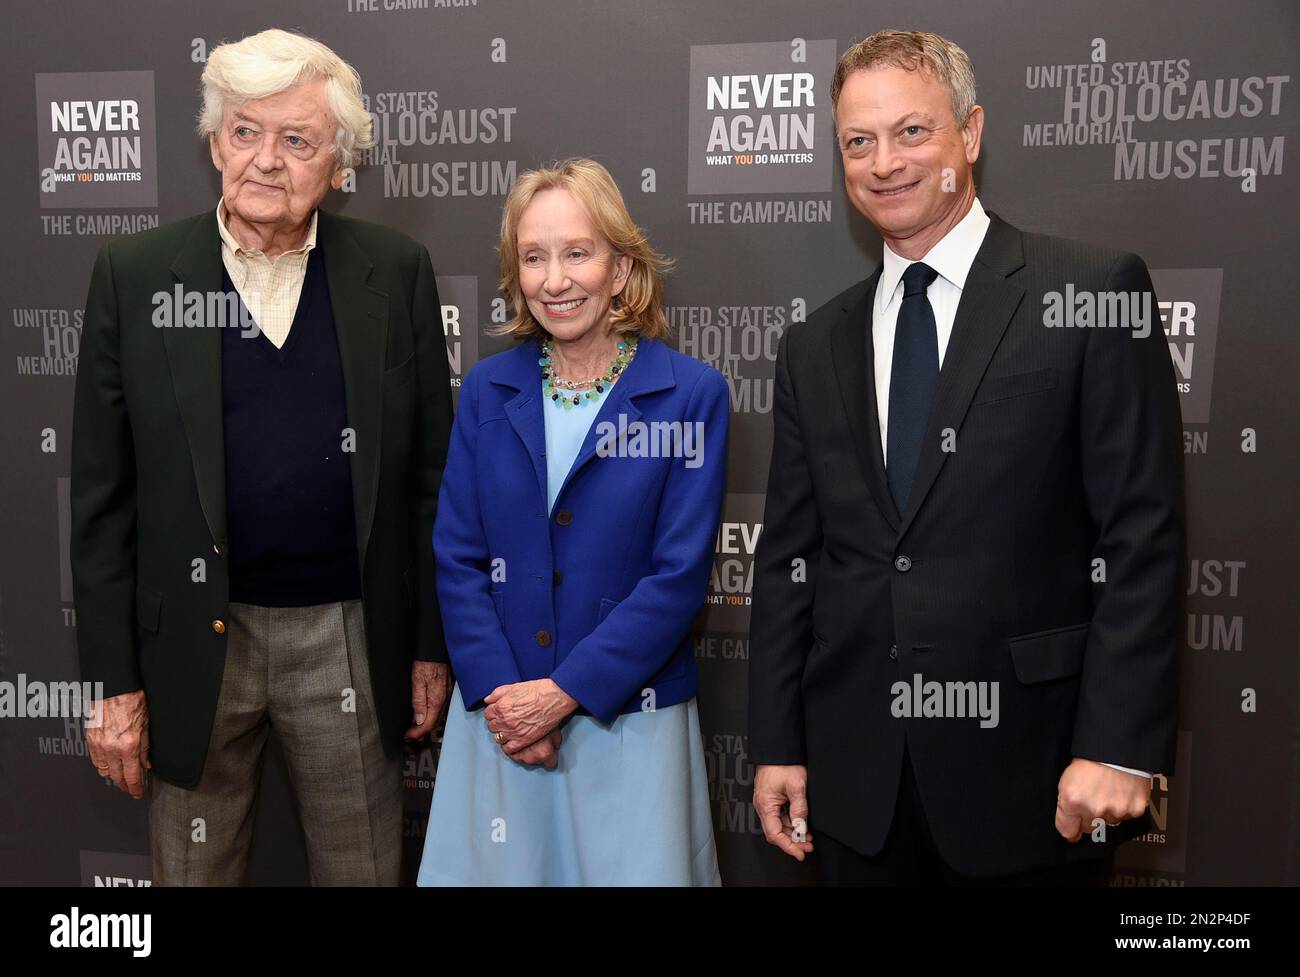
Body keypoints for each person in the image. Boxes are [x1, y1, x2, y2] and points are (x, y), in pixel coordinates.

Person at [747, 30, 1184, 885]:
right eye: (857, 141)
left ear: (971, 134)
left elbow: (1143, 533)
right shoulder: (813, 342)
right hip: (854, 787)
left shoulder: (1090, 291)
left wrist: (1119, 745)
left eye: (913, 132)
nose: (884, 163)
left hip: (1036, 778)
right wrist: (776, 743)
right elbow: (791, 561)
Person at [70, 28, 453, 885]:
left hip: (349, 637)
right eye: (245, 132)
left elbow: (432, 479)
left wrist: (429, 645)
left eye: (297, 139)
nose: (266, 160)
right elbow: (101, 500)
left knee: (363, 871)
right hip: (197, 647)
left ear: (340, 162)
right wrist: (114, 684)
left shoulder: (397, 273)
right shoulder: (135, 276)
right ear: (214, 143)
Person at [418, 159, 726, 886]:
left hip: (626, 722)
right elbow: (457, 556)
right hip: (499, 725)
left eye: (577, 253)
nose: (555, 279)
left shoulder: (689, 396)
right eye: (533, 257)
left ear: (621, 268)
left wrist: (563, 695)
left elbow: (677, 578)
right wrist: (504, 694)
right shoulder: (490, 389)